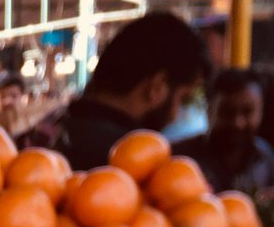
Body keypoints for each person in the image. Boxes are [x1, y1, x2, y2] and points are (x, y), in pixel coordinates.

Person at [26, 12, 210, 171]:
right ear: (157, 86)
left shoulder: (49, 126)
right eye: (183, 99)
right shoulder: (133, 164)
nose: (175, 116)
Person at [173, 68, 274, 195]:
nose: (238, 123)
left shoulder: (265, 159)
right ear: (209, 111)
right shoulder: (181, 159)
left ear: (261, 111)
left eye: (247, 111)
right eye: (227, 112)